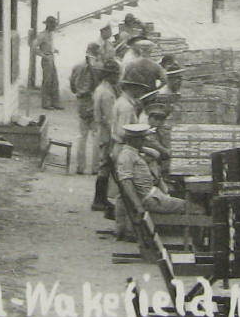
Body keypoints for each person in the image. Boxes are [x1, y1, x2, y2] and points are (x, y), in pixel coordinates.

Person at [112, 122, 188, 240]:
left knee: (186, 204)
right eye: (142, 139)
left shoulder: (132, 151)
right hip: (149, 199)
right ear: (134, 140)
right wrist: (138, 206)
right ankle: (191, 241)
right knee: (190, 207)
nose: (145, 141)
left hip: (152, 195)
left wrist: (141, 147)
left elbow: (156, 155)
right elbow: (126, 182)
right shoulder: (127, 156)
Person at [89, 59, 122, 212]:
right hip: (106, 134)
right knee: (105, 166)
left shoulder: (100, 89)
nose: (118, 78)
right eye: (116, 75)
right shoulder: (107, 94)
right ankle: (99, 199)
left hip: (100, 131)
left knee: (105, 166)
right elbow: (110, 120)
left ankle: (101, 199)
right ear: (110, 76)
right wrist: (115, 137)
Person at [68, 44, 102, 176]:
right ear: (97, 53)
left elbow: (72, 86)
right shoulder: (98, 67)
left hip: (81, 101)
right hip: (93, 101)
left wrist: (79, 92)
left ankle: (80, 167)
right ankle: (95, 167)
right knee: (96, 135)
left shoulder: (77, 66)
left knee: (82, 135)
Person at [36, 15, 60, 109]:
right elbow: (34, 48)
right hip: (46, 60)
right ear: (48, 25)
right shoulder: (42, 35)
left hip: (51, 58)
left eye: (55, 24)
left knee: (55, 81)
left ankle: (55, 103)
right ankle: (46, 104)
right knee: (47, 82)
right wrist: (43, 56)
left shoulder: (50, 35)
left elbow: (48, 46)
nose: (54, 26)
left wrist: (54, 50)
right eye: (53, 24)